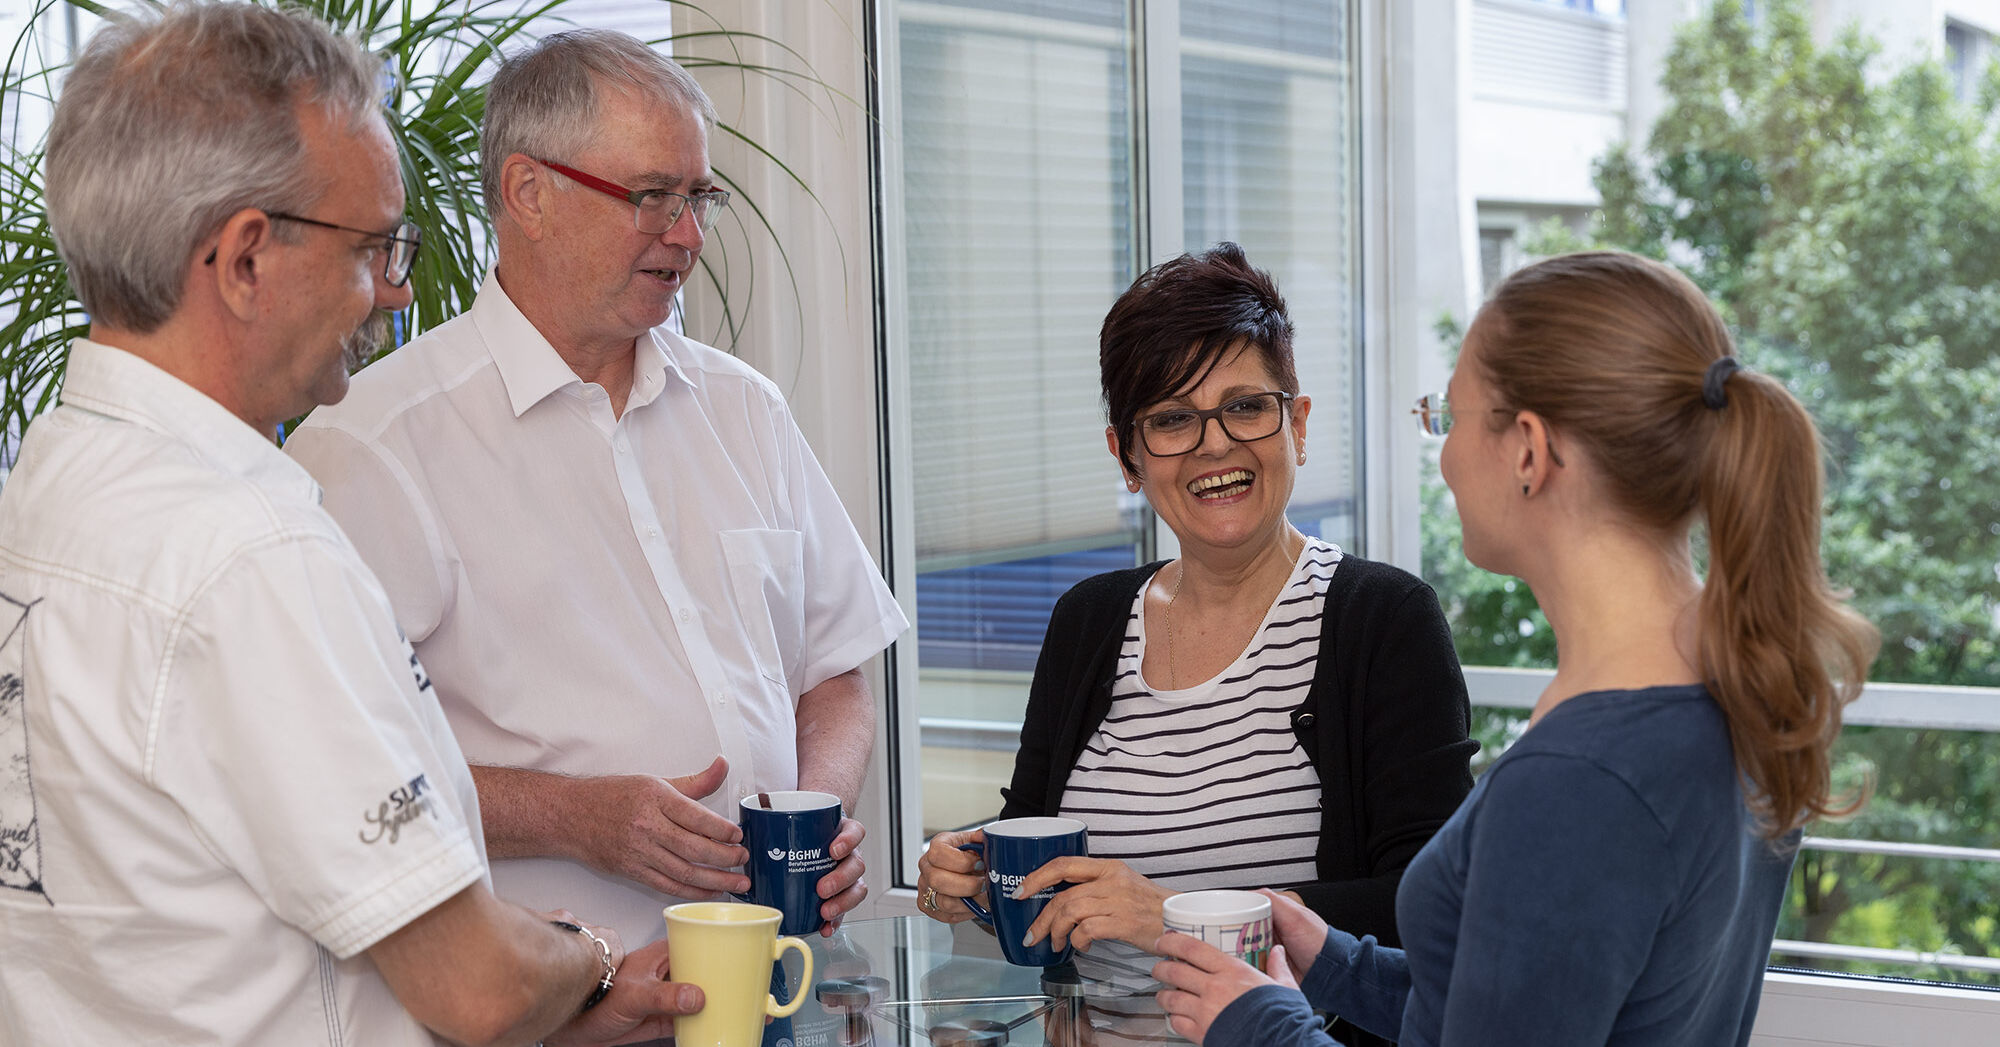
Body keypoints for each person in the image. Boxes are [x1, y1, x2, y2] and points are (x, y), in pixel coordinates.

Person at [0, 5, 705, 1045]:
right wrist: (590, 963)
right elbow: (478, 989)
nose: (396, 287)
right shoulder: (249, 558)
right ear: (244, 261)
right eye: (373, 246)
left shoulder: (50, 484)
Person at [1151, 250, 1881, 1046]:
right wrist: (1337, 965)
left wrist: (1256, 1026)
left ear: (1528, 449)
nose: (1448, 456)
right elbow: (1520, 1006)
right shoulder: (1728, 687)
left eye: (1451, 417)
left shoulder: (1579, 782)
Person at [283, 29, 907, 957]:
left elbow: (836, 670)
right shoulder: (376, 443)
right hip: (553, 1010)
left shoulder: (745, 407)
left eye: (699, 198)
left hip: (779, 982)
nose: (687, 234)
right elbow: (329, 767)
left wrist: (816, 811)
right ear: (528, 193)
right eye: (651, 196)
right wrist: (574, 818)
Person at [913, 245, 1476, 1014]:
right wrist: (969, 875)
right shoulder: (1087, 620)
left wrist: (1169, 914)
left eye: (1246, 406)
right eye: (1173, 418)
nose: (1215, 444)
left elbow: (1428, 909)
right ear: (1128, 456)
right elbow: (1033, 851)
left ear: (1298, 424)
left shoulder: (1382, 618)